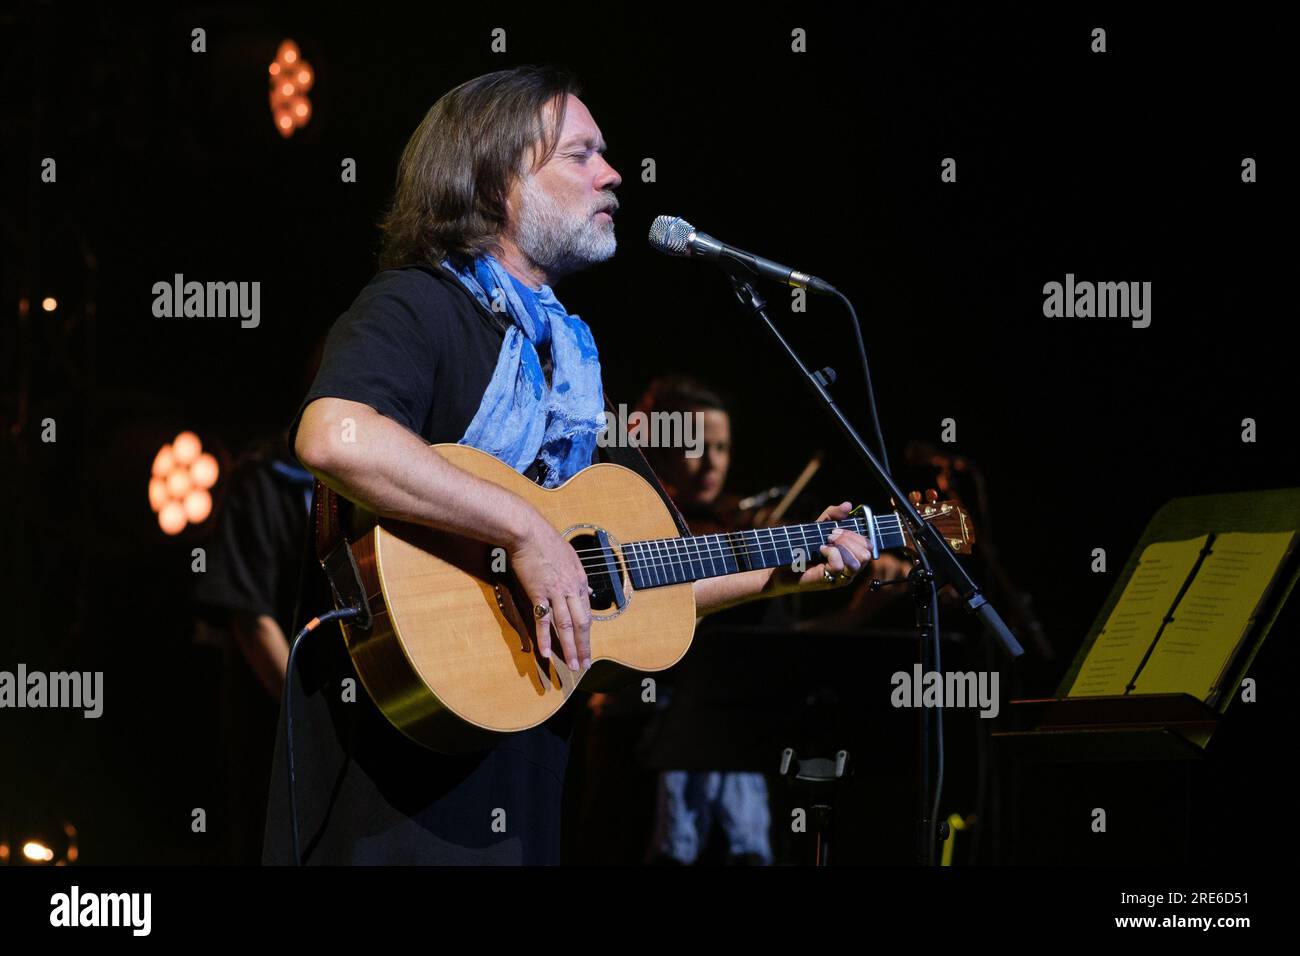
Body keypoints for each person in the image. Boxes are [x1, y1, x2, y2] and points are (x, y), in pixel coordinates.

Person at [265, 66, 876, 865]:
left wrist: (791, 567)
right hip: (388, 787)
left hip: (521, 773)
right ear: (496, 181)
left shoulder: (571, 373)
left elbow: (640, 579)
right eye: (581, 154)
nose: (613, 174)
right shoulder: (416, 305)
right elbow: (333, 437)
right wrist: (525, 531)